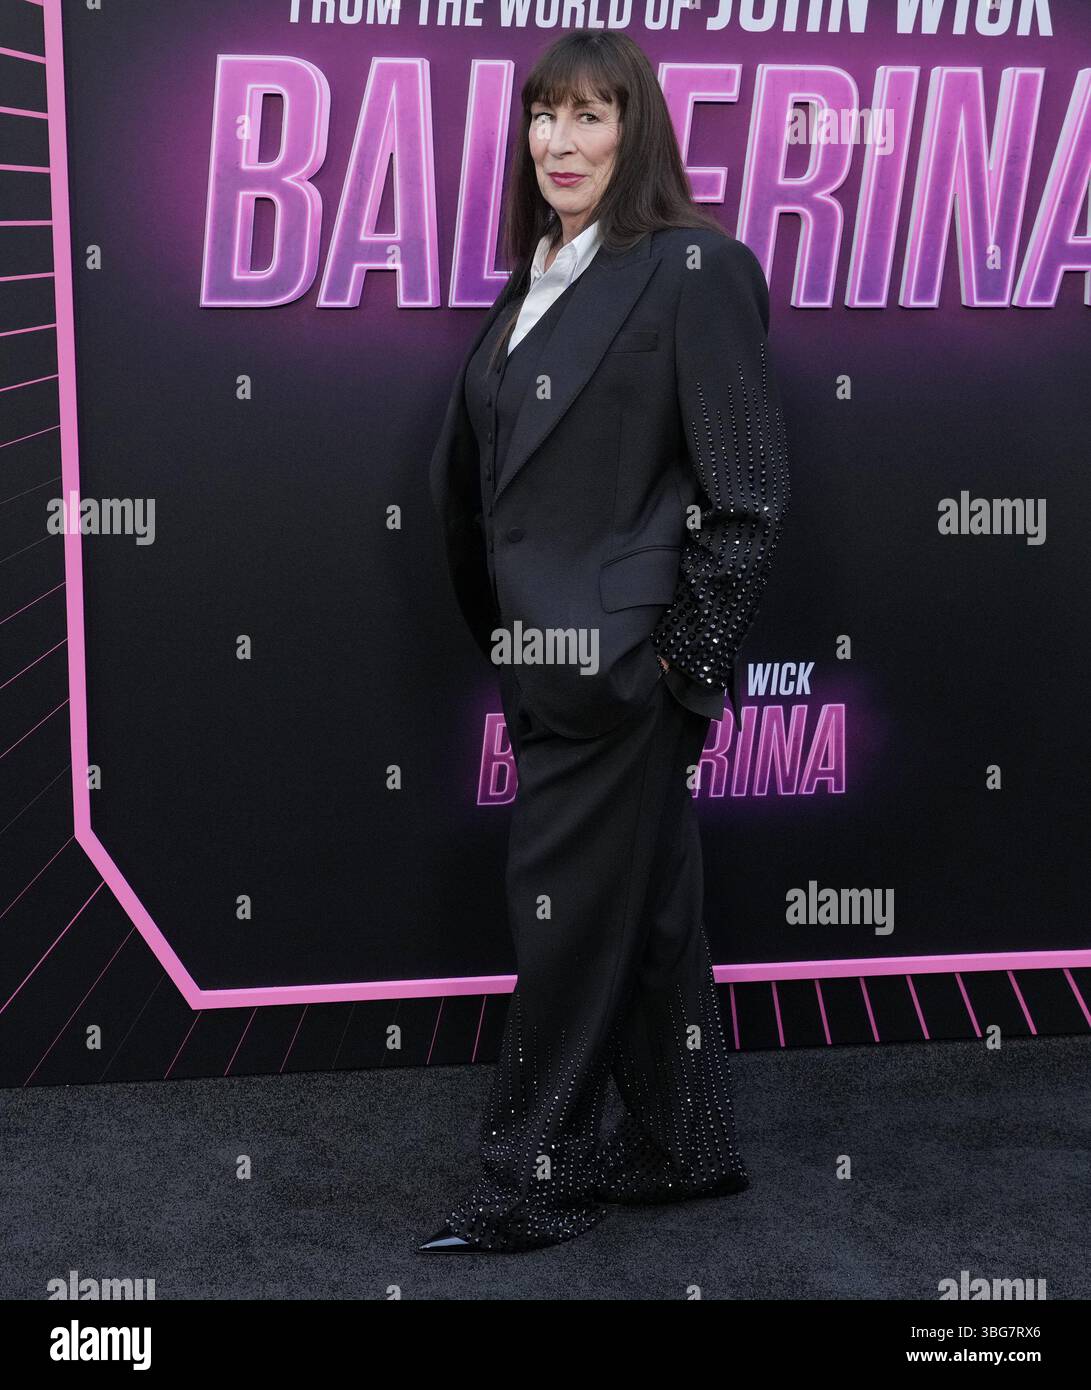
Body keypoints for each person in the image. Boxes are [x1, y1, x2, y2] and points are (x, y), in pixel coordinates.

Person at [424, 30, 791, 1252]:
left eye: (589, 116)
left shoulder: (693, 267)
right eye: (542, 115)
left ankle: (522, 1181)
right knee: (650, 911)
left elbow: (744, 490)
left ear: (635, 133)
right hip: (539, 656)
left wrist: (683, 658)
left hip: (622, 665)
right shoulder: (537, 272)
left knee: (566, 923)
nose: (558, 141)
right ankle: (685, 1142)